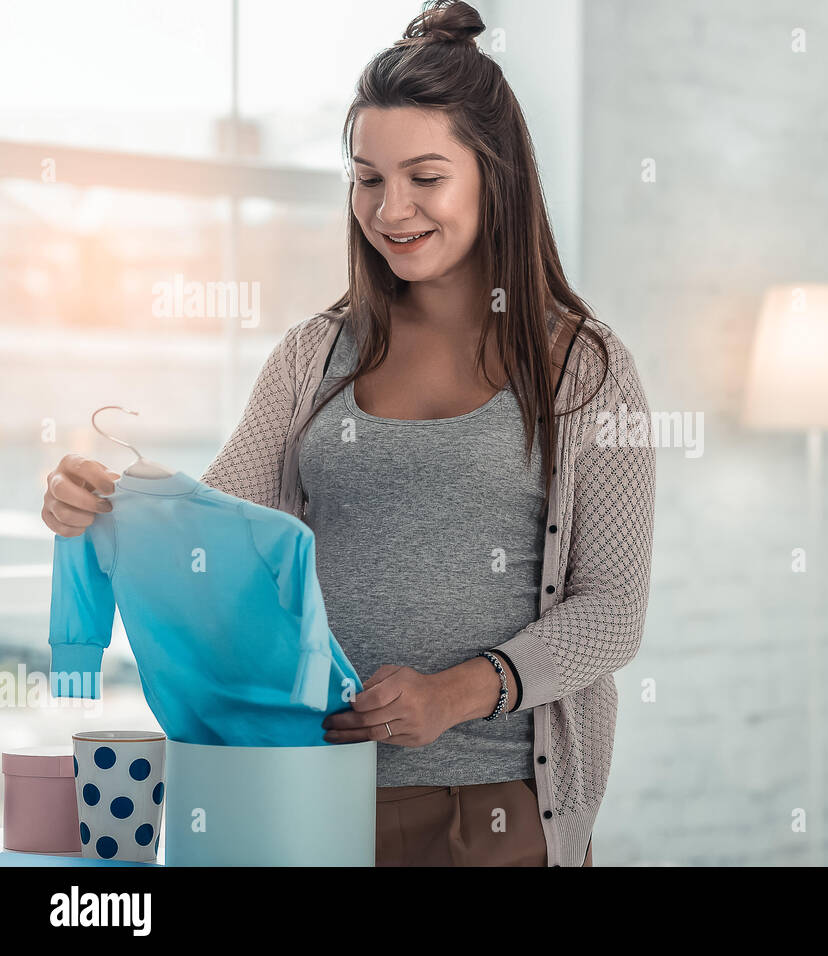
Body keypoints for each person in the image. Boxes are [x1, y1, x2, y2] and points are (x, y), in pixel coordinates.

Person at [40, 0, 656, 867]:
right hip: (304, 801)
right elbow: (221, 538)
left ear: (496, 174)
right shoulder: (313, 357)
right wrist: (105, 507)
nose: (390, 207)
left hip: (494, 813)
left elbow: (613, 611)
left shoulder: (585, 370)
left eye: (425, 177)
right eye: (368, 178)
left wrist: (455, 693)